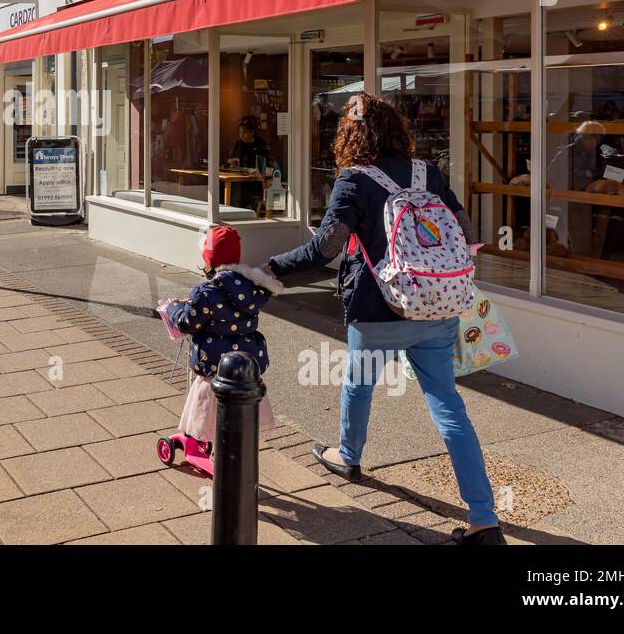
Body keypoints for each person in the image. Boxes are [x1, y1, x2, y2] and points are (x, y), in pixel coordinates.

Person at [264, 93, 504, 545]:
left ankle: (348, 455)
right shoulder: (427, 172)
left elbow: (326, 248)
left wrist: (271, 268)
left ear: (350, 135)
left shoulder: (354, 179)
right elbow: (466, 233)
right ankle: (484, 519)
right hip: (437, 310)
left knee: (359, 384)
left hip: (378, 311)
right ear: (397, 129)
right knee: (449, 408)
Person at [164, 225, 280, 446]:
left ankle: (211, 453)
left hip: (214, 363)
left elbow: (189, 322)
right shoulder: (251, 287)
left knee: (209, 414)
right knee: (240, 416)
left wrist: (173, 309)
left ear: (208, 258)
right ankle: (237, 449)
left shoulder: (206, 292)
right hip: (245, 367)